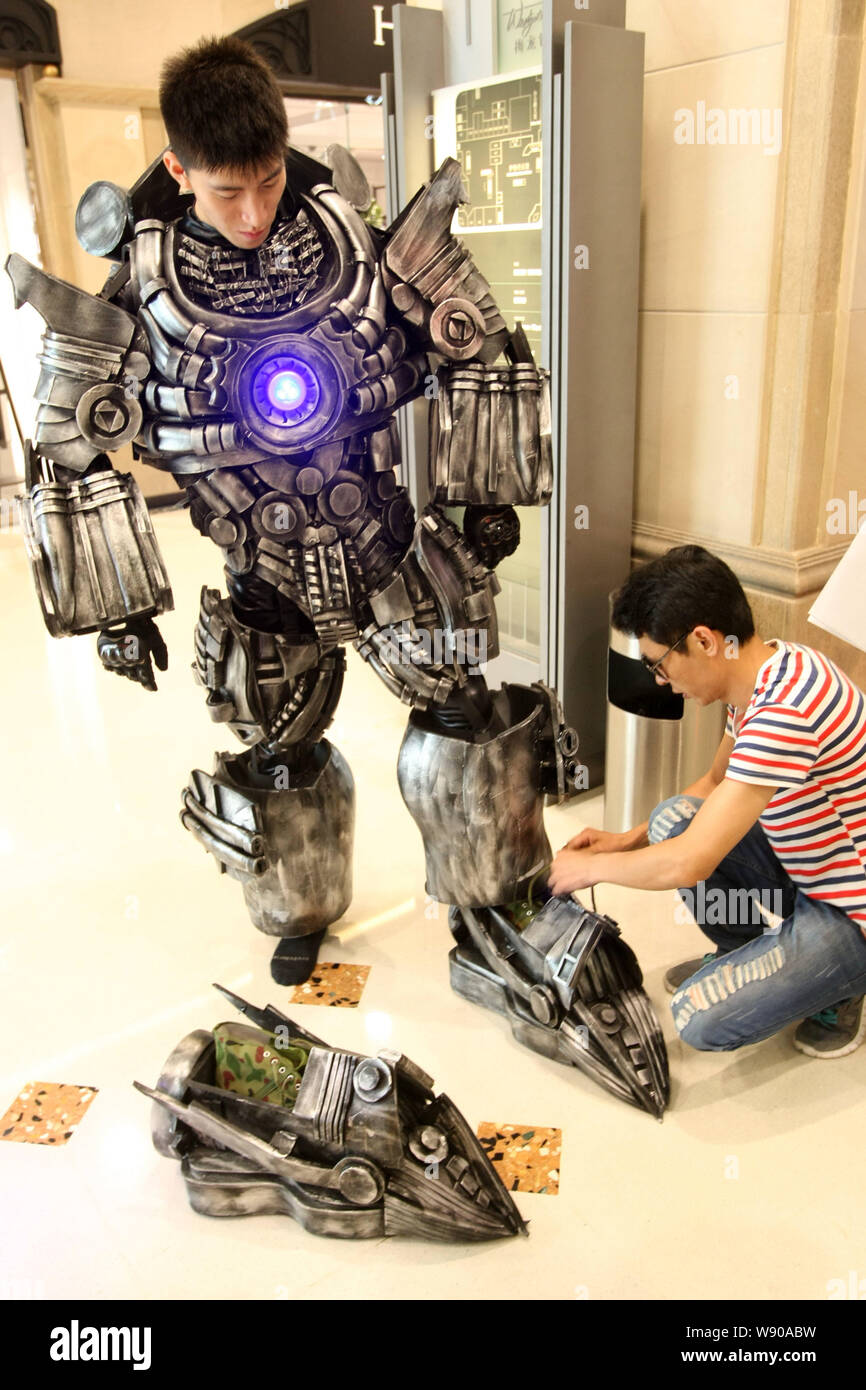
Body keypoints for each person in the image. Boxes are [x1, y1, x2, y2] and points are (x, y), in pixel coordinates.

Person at [549, 544, 866, 1059]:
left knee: (698, 1018)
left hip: (850, 909)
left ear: (703, 640)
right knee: (671, 817)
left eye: (659, 664)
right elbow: (714, 783)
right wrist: (625, 840)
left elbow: (690, 861)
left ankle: (845, 986)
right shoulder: (766, 675)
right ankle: (743, 950)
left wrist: (592, 868)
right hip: (808, 871)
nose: (659, 680)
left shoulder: (786, 711)